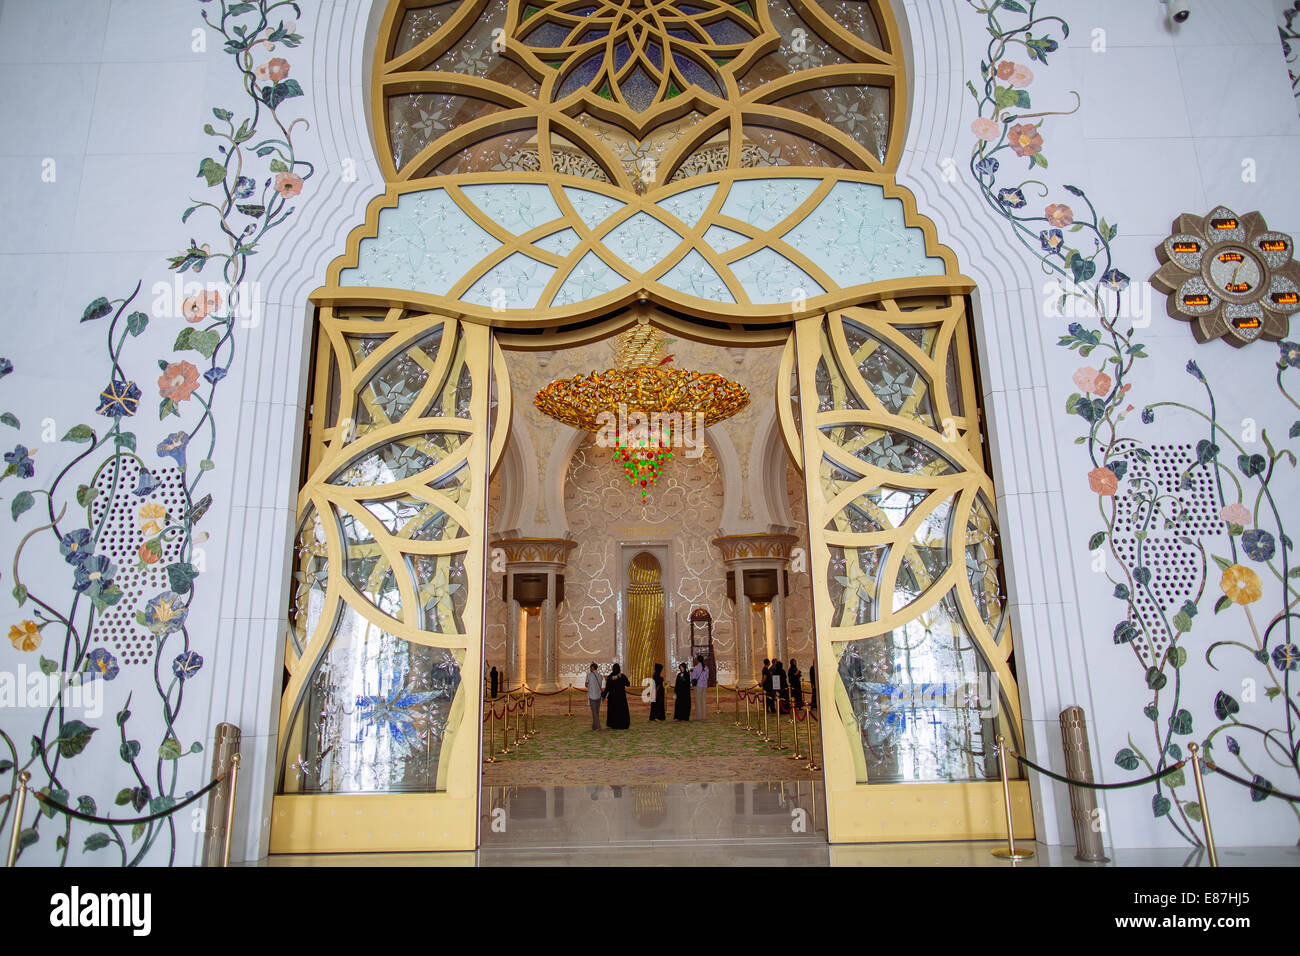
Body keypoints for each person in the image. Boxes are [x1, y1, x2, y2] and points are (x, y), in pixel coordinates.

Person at [603, 662, 631, 729]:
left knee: (613, 711)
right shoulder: (622, 676)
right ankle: (623, 724)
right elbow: (628, 684)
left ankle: (613, 724)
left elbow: (607, 688)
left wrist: (603, 695)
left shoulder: (610, 677)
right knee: (622, 711)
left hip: (612, 698)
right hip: (621, 698)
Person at [585, 662, 603, 731]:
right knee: (597, 712)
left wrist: (589, 685)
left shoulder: (589, 675)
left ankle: (597, 726)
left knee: (594, 712)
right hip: (598, 695)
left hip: (592, 695)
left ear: (592, 668)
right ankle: (594, 726)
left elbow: (586, 685)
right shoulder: (600, 675)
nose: (590, 669)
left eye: (590, 668)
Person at [691, 655, 708, 720]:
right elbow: (707, 677)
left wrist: (691, 673)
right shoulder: (706, 667)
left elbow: (693, 677)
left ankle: (699, 716)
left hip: (698, 685)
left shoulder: (696, 667)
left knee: (698, 701)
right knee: (703, 700)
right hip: (704, 685)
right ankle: (704, 716)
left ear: (697, 660)